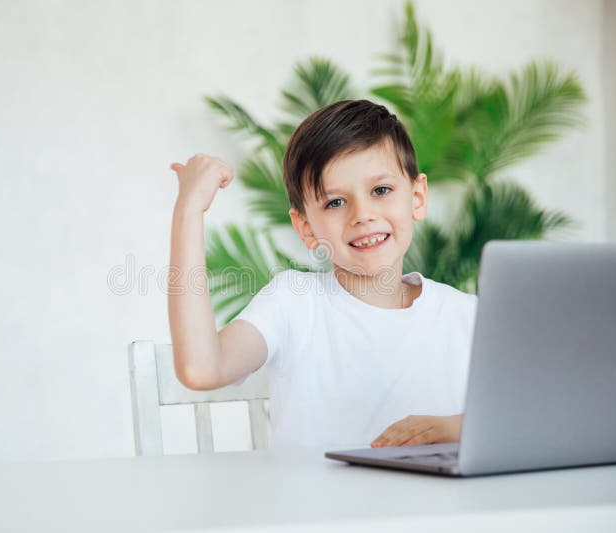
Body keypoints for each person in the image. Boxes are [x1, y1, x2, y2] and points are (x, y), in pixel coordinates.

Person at [168, 99, 476, 449]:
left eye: (381, 190)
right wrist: (189, 210)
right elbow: (202, 369)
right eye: (335, 202)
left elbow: (538, 417)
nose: (363, 214)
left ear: (417, 197)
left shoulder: (468, 315)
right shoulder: (292, 304)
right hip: (316, 504)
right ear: (306, 227)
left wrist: (464, 427)